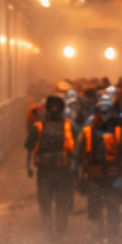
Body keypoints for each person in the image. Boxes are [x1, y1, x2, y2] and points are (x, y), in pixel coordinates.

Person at [79, 98, 122, 241]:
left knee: (111, 206)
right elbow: (78, 153)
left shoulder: (117, 131)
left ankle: (108, 233)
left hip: (111, 175)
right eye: (101, 113)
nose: (104, 116)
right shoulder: (89, 131)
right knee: (97, 206)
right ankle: (102, 233)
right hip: (99, 175)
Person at [25, 94, 77, 232]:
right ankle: (61, 230)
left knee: (45, 202)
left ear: (46, 110)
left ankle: (47, 229)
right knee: (62, 202)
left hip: (44, 171)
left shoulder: (38, 127)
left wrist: (28, 167)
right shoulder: (69, 125)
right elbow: (76, 148)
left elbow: (29, 148)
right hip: (63, 170)